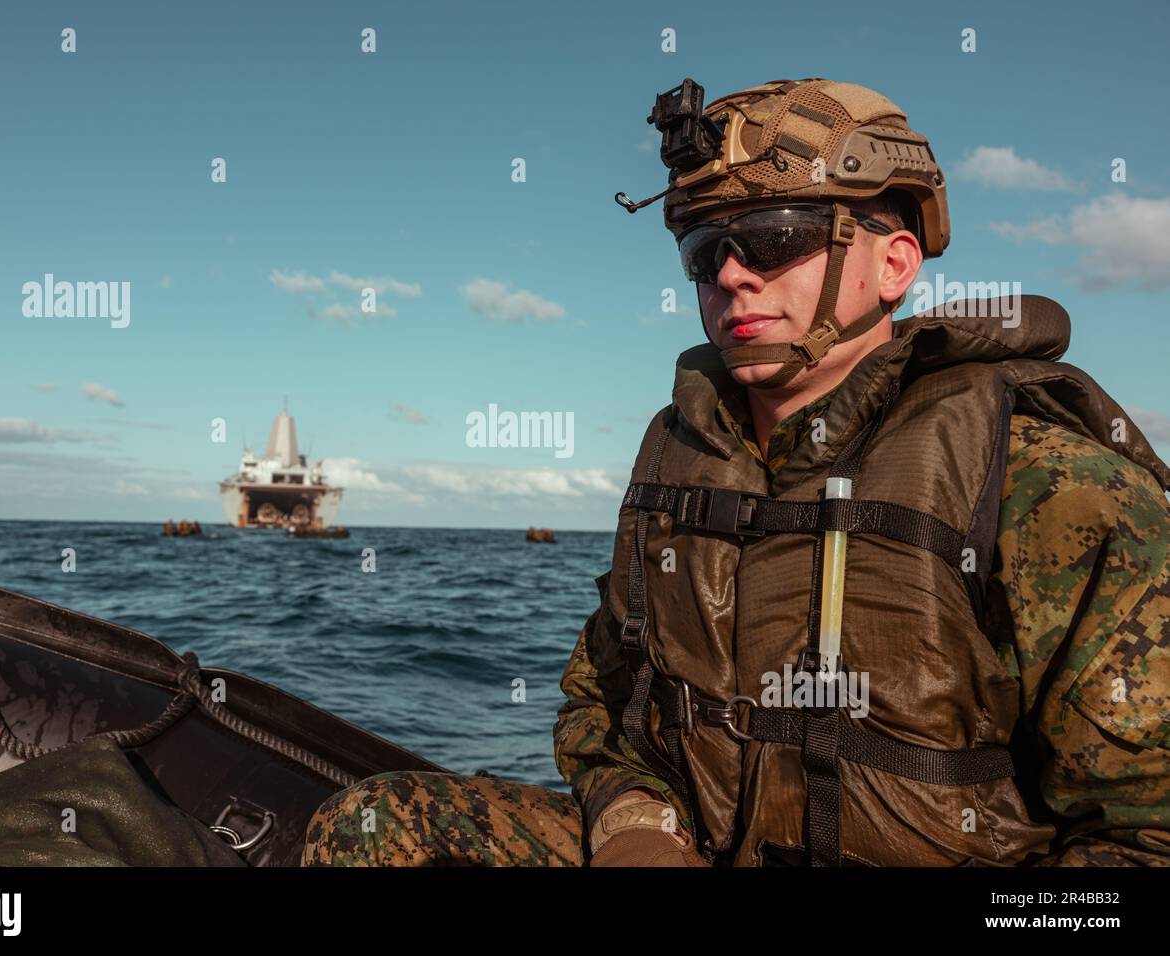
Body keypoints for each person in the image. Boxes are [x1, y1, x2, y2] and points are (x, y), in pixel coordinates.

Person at [302, 77, 1169, 867]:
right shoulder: (684, 462)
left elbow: (1145, 844)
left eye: (774, 237)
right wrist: (638, 829)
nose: (729, 275)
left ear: (894, 263)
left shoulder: (1047, 484)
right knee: (375, 827)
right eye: (704, 250)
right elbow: (603, 705)